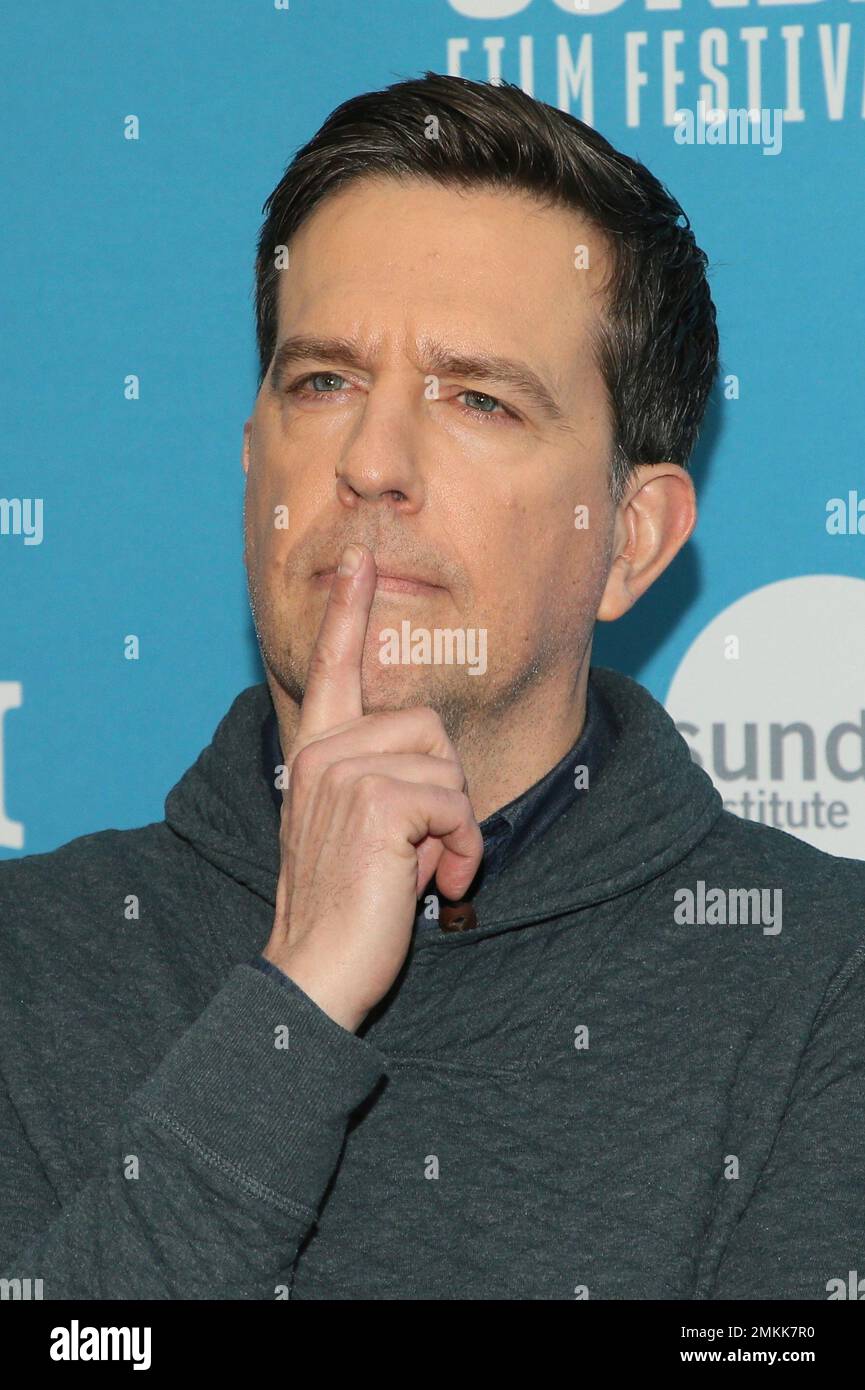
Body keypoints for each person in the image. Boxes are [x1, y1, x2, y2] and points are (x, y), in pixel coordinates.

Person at [2, 72, 863, 1302]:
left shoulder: (828, 983)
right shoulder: (29, 961)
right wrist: (289, 1005)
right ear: (254, 467)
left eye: (477, 398)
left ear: (630, 537)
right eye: (323, 383)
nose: (371, 462)